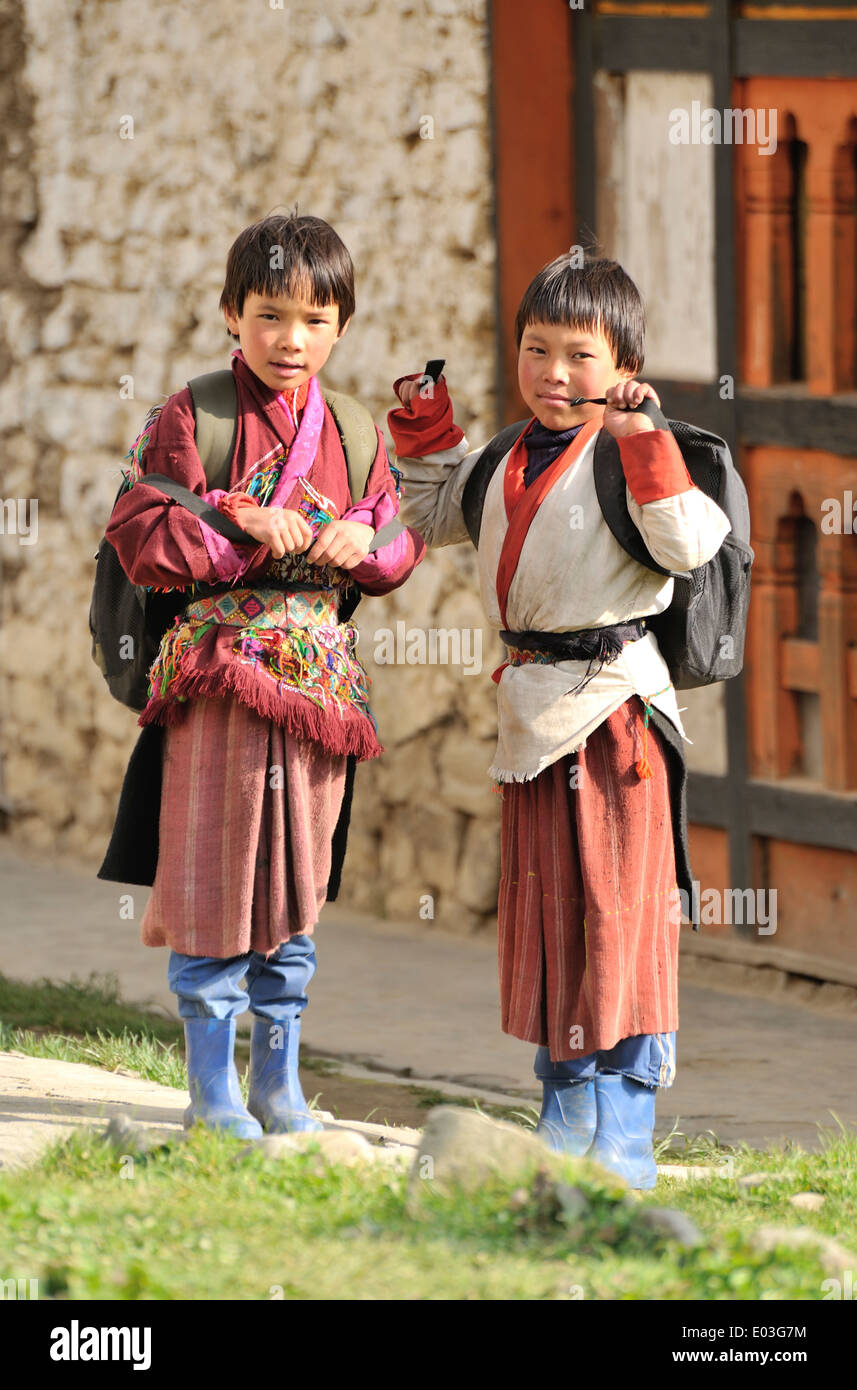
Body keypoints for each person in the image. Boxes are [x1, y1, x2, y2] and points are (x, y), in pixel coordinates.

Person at [387, 253, 731, 1188]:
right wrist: (425, 428)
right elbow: (425, 518)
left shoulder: (631, 450)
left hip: (616, 714)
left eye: (579, 355)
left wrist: (645, 436)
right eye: (536, 349)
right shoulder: (500, 459)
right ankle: (564, 1100)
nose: (552, 373)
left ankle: (625, 1118)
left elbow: (692, 544)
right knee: (550, 916)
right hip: (531, 718)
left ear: (622, 365)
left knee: (619, 918)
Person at [106, 212, 424, 1139]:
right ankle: (212, 1090)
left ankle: (279, 1084)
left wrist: (366, 539)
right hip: (217, 682)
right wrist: (233, 526)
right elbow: (138, 535)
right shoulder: (192, 416)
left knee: (296, 875)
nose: (293, 340)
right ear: (231, 315)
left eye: (317, 320)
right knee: (211, 872)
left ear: (342, 327)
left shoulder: (359, 430)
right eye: (272, 315)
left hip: (319, 692)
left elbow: (396, 544)